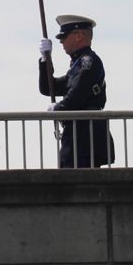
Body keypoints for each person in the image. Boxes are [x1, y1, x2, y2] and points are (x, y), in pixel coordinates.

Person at [38, 15, 114, 168]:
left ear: (79, 36)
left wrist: (58, 108)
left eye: (64, 36)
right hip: (77, 138)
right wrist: (45, 60)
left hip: (86, 138)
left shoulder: (88, 62)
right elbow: (48, 87)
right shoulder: (77, 65)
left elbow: (77, 96)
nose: (61, 41)